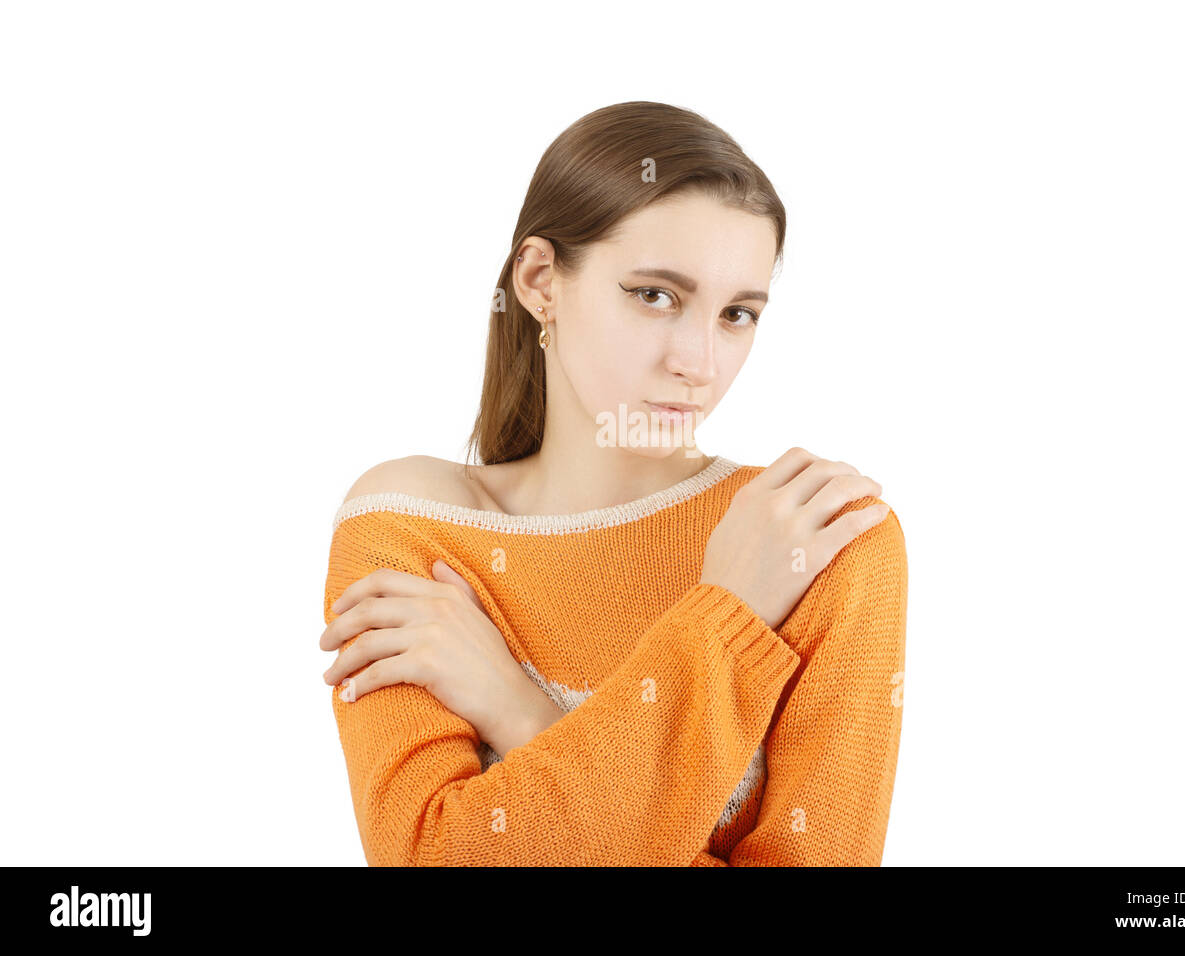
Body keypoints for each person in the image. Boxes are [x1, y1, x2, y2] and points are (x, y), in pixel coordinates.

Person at [318, 101, 908, 866]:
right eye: (655, 295)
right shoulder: (409, 529)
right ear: (539, 281)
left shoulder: (820, 537)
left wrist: (524, 715)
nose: (699, 361)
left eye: (737, 314)